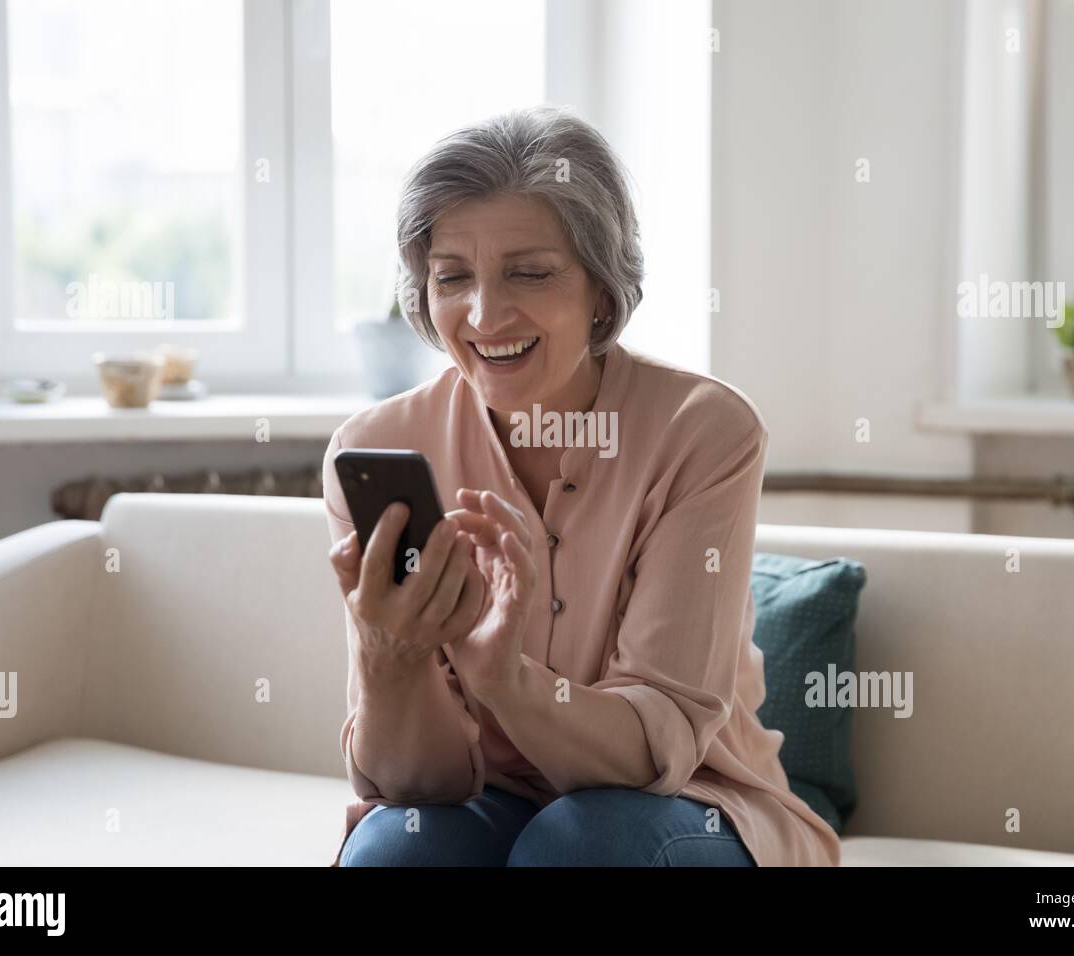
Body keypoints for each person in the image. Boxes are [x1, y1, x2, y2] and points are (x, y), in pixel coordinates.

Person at [321, 106, 839, 867]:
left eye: (530, 272)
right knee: (396, 851)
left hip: (687, 804)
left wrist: (505, 679)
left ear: (600, 290)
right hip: (489, 802)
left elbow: (652, 752)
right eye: (452, 277)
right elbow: (415, 786)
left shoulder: (702, 431)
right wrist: (385, 656)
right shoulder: (377, 449)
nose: (486, 313)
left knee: (580, 844)